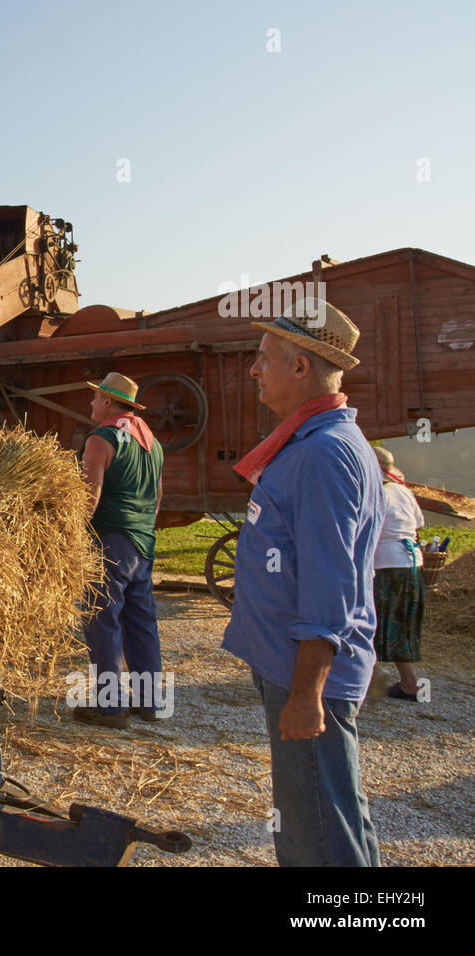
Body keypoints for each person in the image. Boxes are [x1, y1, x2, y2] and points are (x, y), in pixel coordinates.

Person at [223, 297, 384, 867]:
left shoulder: (323, 454)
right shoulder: (321, 444)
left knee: (314, 835)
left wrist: (306, 694)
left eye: (265, 356)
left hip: (305, 674)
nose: (253, 368)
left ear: (301, 367)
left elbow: (329, 582)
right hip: (291, 667)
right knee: (333, 813)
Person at [74, 372, 165, 729]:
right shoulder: (152, 443)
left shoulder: (102, 439)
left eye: (96, 398)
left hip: (109, 540)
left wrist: (74, 535)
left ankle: (110, 709)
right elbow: (158, 500)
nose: (92, 403)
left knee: (103, 620)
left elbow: (88, 497)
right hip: (143, 542)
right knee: (142, 621)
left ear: (109, 402)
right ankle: (150, 703)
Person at [371, 445, 427, 701]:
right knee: (399, 623)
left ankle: (374, 681)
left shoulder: (375, 494)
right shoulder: (403, 491)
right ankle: (407, 682)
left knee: (374, 620)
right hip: (412, 563)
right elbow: (418, 523)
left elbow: (365, 530)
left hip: (386, 564)